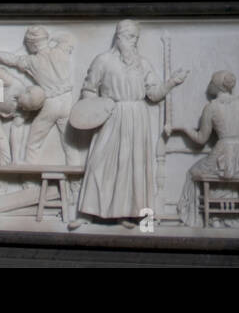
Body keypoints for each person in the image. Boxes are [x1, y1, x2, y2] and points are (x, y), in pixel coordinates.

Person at [72, 20, 187, 226]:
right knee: (99, 163)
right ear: (119, 37)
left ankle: (127, 214)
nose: (134, 41)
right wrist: (95, 108)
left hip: (136, 117)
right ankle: (87, 213)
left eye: (136, 38)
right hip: (111, 115)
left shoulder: (143, 63)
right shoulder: (103, 61)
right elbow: (89, 89)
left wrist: (171, 82)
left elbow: (153, 94)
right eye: (130, 36)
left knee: (132, 167)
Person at [175, 71, 239, 226]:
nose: (209, 85)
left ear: (216, 85)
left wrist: (184, 128)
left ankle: (199, 217)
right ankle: (218, 215)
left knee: (193, 173)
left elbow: (201, 139)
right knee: (222, 173)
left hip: (223, 152)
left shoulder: (212, 107)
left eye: (211, 81)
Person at [0, 26, 75, 163]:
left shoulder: (32, 61)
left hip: (52, 102)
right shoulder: (61, 50)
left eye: (28, 45)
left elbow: (12, 60)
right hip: (68, 101)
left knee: (34, 142)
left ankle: (30, 182)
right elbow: (68, 38)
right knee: (69, 142)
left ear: (32, 44)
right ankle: (74, 182)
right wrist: (51, 37)